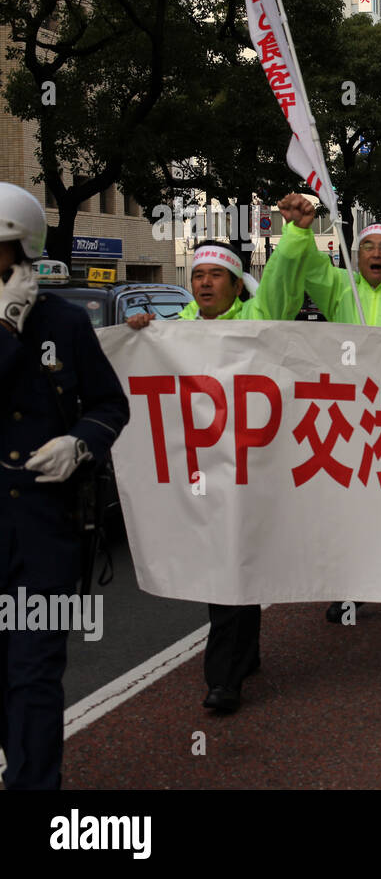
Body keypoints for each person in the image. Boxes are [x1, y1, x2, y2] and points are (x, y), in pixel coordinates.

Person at [126, 195, 319, 713]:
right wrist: (136, 341)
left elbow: (278, 282)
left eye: (217, 275)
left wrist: (295, 233)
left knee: (234, 561)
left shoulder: (258, 319)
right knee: (228, 564)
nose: (205, 283)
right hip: (200, 474)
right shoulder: (172, 334)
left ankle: (223, 679)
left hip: (255, 468)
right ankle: (243, 656)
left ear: (237, 284)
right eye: (198, 275)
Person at [1, 182, 129, 787]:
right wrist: (5, 329)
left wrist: (81, 441)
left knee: (34, 674)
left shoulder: (67, 322)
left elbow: (109, 404)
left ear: (21, 247)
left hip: (46, 531)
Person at [271, 217, 381, 624]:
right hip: (347, 418)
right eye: (368, 247)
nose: (377, 254)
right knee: (351, 510)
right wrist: (298, 229)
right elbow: (310, 264)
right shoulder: (339, 291)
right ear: (357, 256)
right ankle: (350, 591)